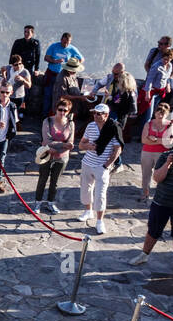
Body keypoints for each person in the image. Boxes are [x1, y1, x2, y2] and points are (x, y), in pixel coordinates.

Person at [78, 103, 122, 235]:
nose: (95, 116)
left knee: (100, 195)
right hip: (87, 163)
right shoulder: (90, 126)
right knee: (86, 190)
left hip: (101, 166)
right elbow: (81, 144)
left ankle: (99, 221)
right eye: (94, 113)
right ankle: (88, 211)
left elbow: (118, 148)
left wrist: (107, 165)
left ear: (106, 115)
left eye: (99, 113)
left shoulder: (113, 128)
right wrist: (89, 147)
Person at [33, 97, 76, 215]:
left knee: (55, 181)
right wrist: (63, 144)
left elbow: (71, 142)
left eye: (65, 111)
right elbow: (46, 141)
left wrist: (57, 146)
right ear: (56, 109)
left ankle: (51, 202)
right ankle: (38, 202)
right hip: (46, 155)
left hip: (62, 157)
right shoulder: (48, 121)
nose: (62, 113)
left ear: (68, 112)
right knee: (43, 178)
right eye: (60, 109)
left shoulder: (71, 124)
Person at [136, 99, 173, 202]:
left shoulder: (170, 125)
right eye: (158, 113)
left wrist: (155, 139)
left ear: (167, 114)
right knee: (146, 174)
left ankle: (160, 194)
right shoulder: (148, 124)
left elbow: (170, 143)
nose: (160, 116)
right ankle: (145, 193)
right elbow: (144, 140)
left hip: (162, 153)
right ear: (155, 113)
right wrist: (162, 141)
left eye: (163, 114)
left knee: (161, 174)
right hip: (147, 152)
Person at [42, 32, 83, 113]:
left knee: (60, 98)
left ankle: (56, 114)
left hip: (65, 75)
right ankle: (45, 115)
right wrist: (54, 61)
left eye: (68, 42)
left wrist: (73, 64)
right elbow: (46, 57)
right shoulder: (53, 46)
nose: (66, 44)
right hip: (52, 74)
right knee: (48, 95)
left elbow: (81, 59)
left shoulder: (72, 49)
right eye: (64, 42)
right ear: (61, 40)